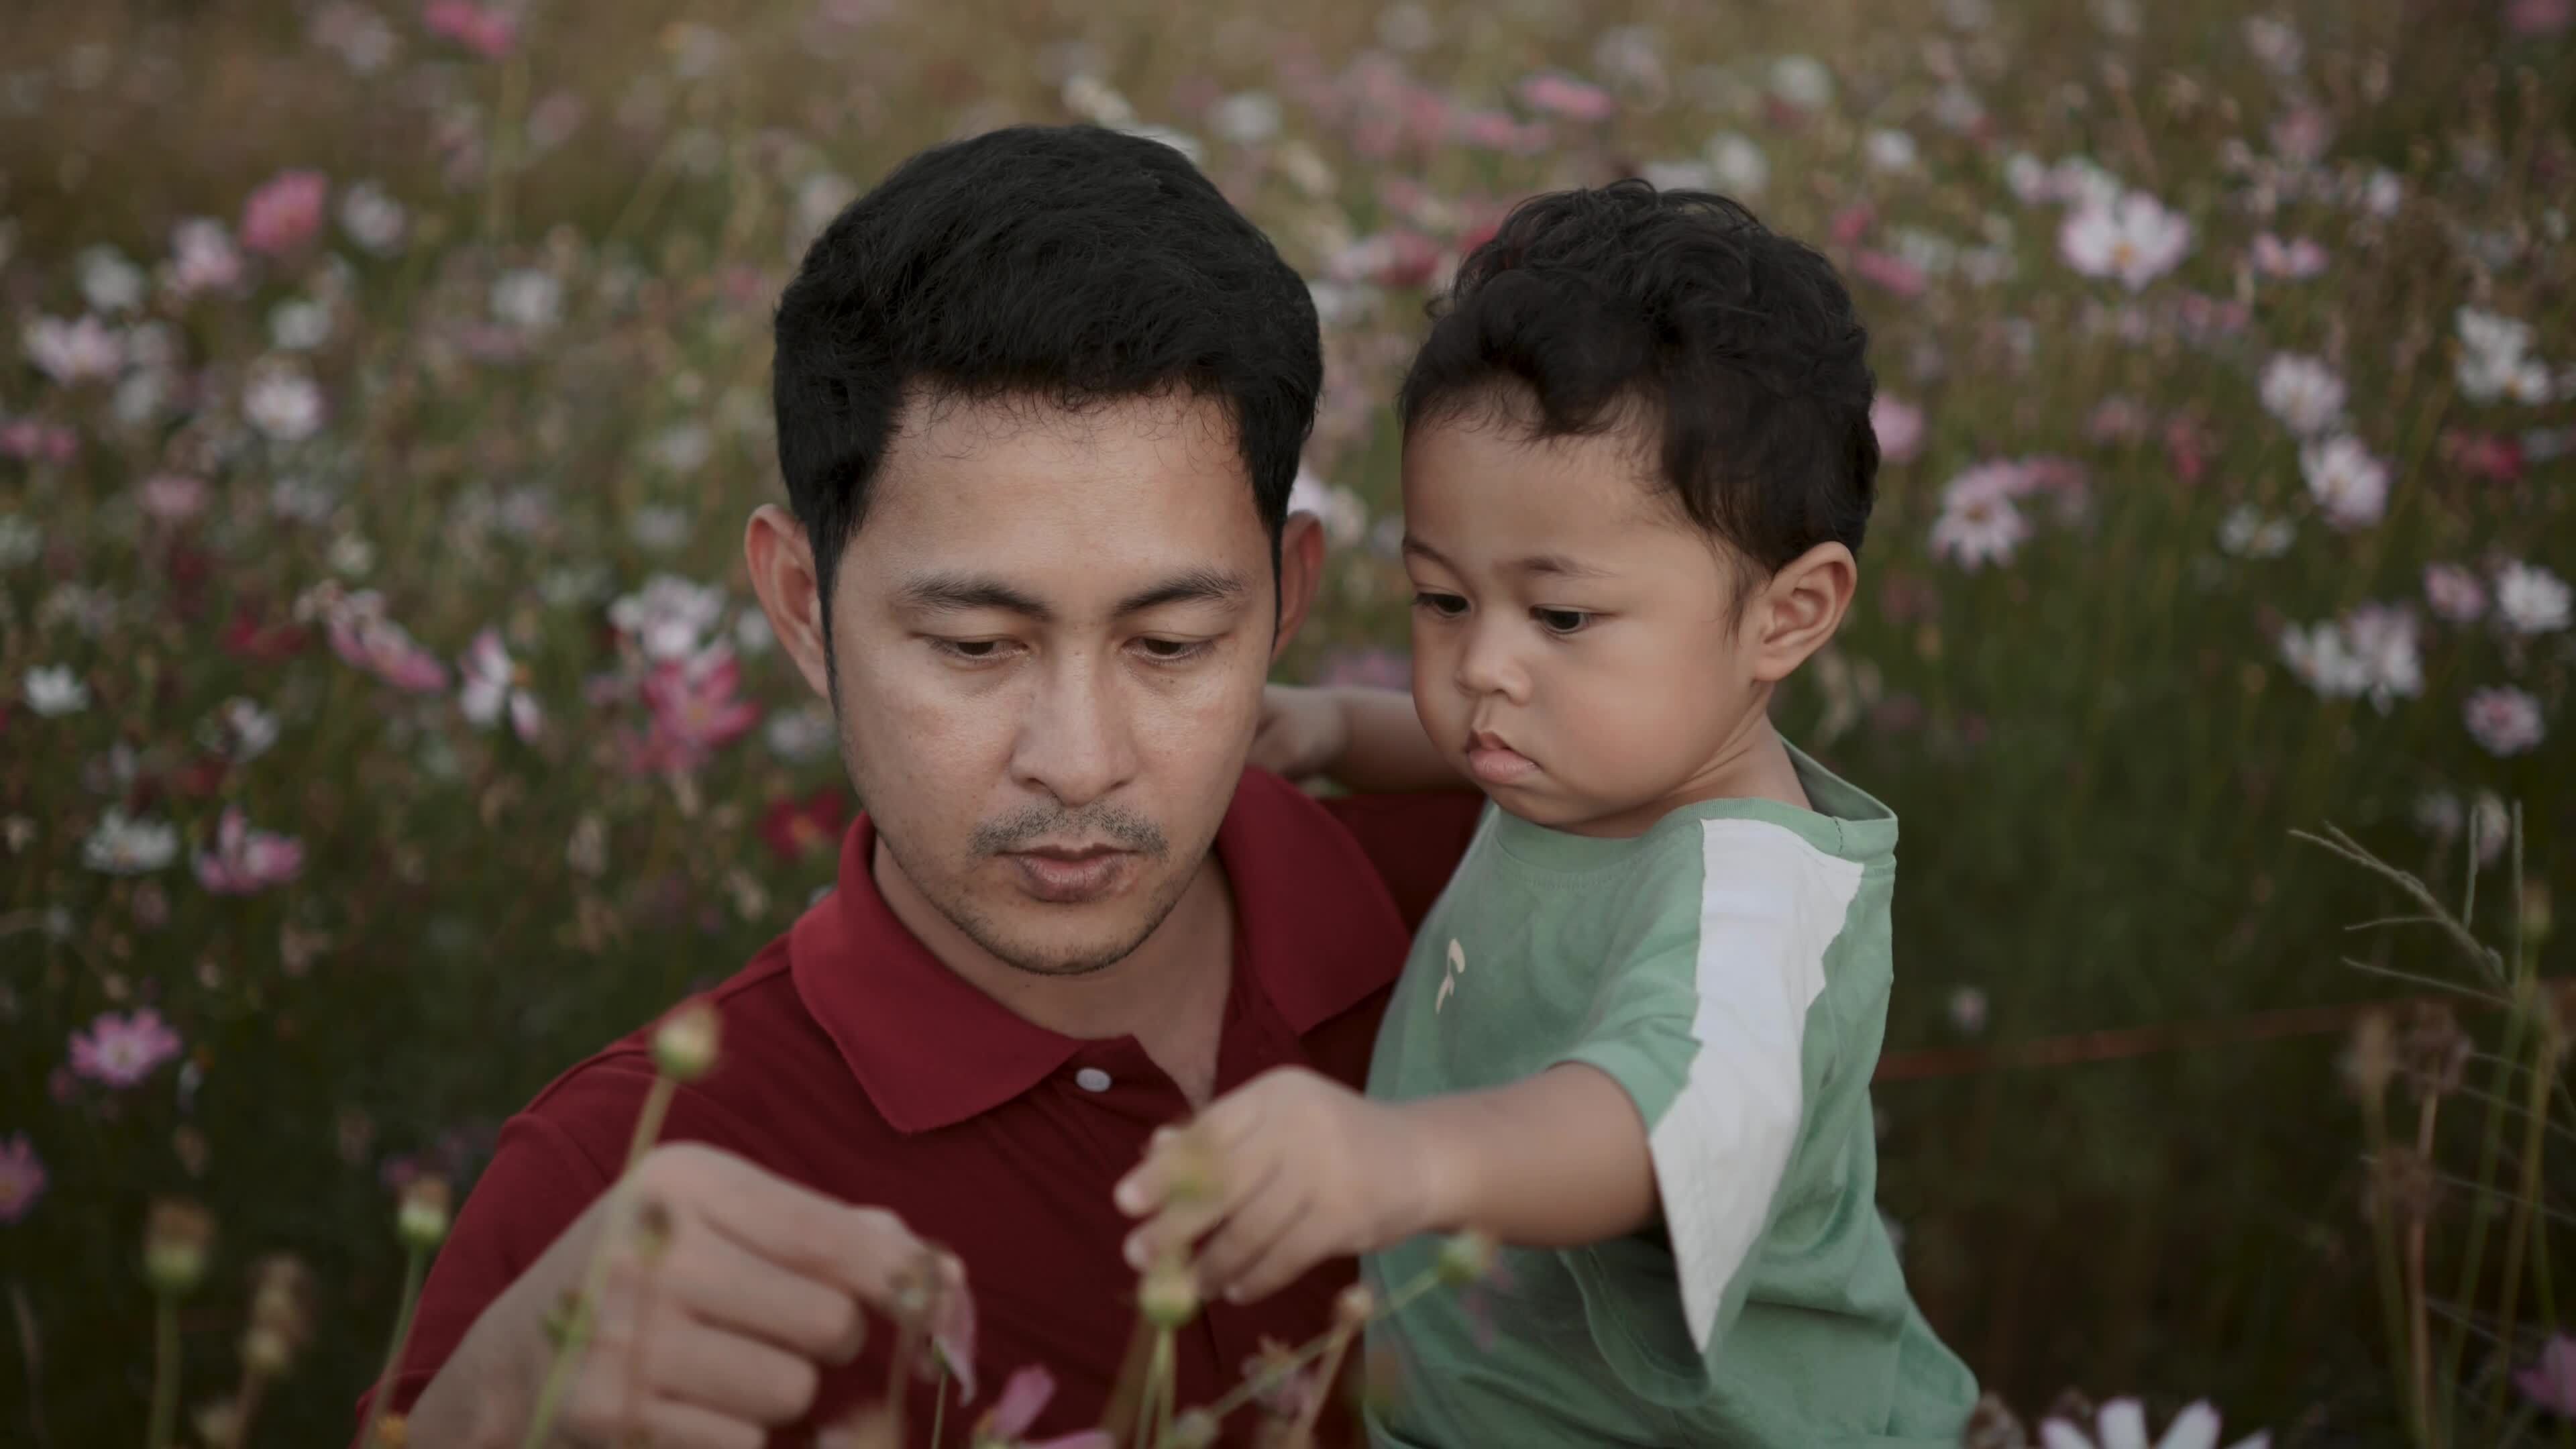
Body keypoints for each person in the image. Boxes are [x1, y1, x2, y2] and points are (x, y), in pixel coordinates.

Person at [364, 124, 1483, 1448]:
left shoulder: (1530, 883)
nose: (1077, 759)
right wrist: (487, 1417)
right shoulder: (629, 1184)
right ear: (801, 605)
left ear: (1288, 600)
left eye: (1171, 644)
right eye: (974, 647)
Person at [1116, 182, 1982, 1446]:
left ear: (1789, 616)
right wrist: (1331, 727)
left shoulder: (1756, 907)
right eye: (1441, 599)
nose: (1484, 674)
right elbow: (1476, 742)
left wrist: (1404, 1161)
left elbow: (1649, 1119)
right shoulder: (1599, 747)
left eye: (1561, 616)